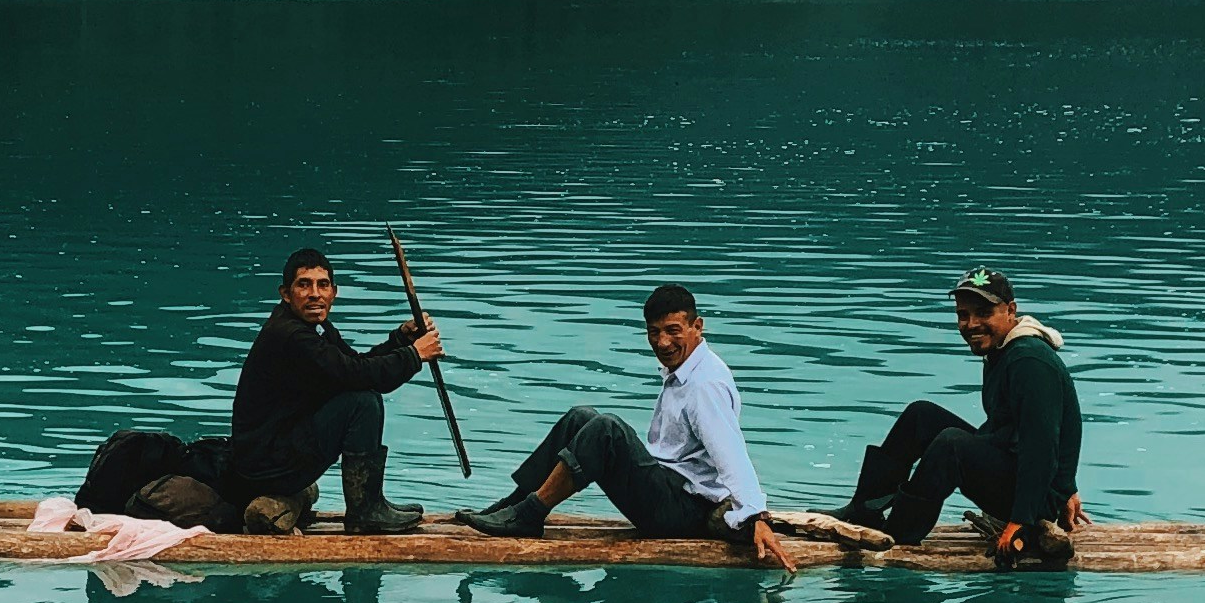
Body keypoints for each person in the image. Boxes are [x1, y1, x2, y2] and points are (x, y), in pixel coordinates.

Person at [456, 282, 790, 565]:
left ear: (697, 327)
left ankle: (528, 515)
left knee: (607, 430)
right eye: (654, 333)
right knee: (581, 418)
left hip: (684, 512)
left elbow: (731, 454)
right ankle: (514, 505)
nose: (662, 343)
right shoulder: (687, 370)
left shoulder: (705, 385)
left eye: (673, 331)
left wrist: (755, 517)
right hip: (669, 491)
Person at [839, 266, 1082, 568]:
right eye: (963, 315)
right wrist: (1068, 486)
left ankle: (897, 535)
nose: (971, 324)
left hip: (1033, 500)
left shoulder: (1028, 361)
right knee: (921, 416)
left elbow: (1041, 444)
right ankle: (864, 510)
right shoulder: (1004, 349)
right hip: (1026, 478)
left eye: (983, 313)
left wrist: (1023, 518)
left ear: (1011, 310)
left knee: (951, 445)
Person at [218, 246, 446, 534]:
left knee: (362, 394)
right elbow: (358, 375)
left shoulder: (314, 327)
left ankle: (370, 503)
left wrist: (401, 339)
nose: (315, 293)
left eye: (322, 285)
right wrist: (414, 355)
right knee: (363, 402)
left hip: (270, 457)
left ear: (333, 293)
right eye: (304, 285)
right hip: (266, 469)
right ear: (286, 294)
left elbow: (354, 365)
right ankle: (365, 511)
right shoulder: (291, 336)